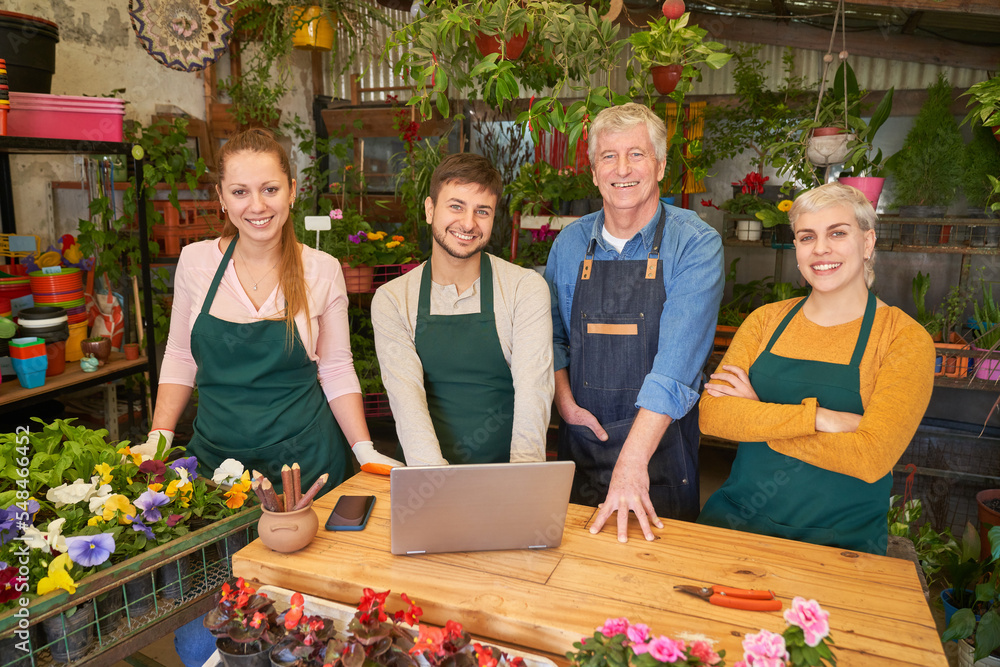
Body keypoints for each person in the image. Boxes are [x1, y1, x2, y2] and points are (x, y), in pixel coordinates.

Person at [132, 129, 372, 667]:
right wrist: (158, 437)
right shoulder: (196, 264)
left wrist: (365, 450)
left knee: (308, 631)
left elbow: (335, 368)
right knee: (208, 641)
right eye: (240, 192)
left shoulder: (320, 269)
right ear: (221, 197)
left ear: (291, 191)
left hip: (307, 473)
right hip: (220, 477)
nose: (256, 205)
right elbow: (179, 357)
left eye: (269, 189)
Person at [697, 182, 936, 555]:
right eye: (807, 237)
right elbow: (713, 417)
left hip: (840, 544)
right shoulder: (766, 321)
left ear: (868, 242)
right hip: (735, 525)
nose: (821, 249)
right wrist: (822, 418)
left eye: (837, 233)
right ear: (796, 249)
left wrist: (757, 415)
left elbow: (871, 457)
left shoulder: (902, 338)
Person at [545, 103, 724, 542]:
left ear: (660, 166)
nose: (622, 169)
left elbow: (677, 364)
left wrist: (631, 463)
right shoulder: (569, 245)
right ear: (593, 171)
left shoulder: (695, 243)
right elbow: (551, 341)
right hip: (582, 444)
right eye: (608, 156)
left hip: (659, 453)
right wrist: (566, 406)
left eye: (637, 155)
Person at [369, 153, 553, 467]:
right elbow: (406, 396)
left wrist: (523, 481)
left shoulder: (524, 288)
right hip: (423, 475)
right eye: (456, 206)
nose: (468, 223)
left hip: (504, 473)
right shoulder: (393, 299)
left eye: (482, 211)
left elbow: (533, 390)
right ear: (430, 209)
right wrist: (435, 481)